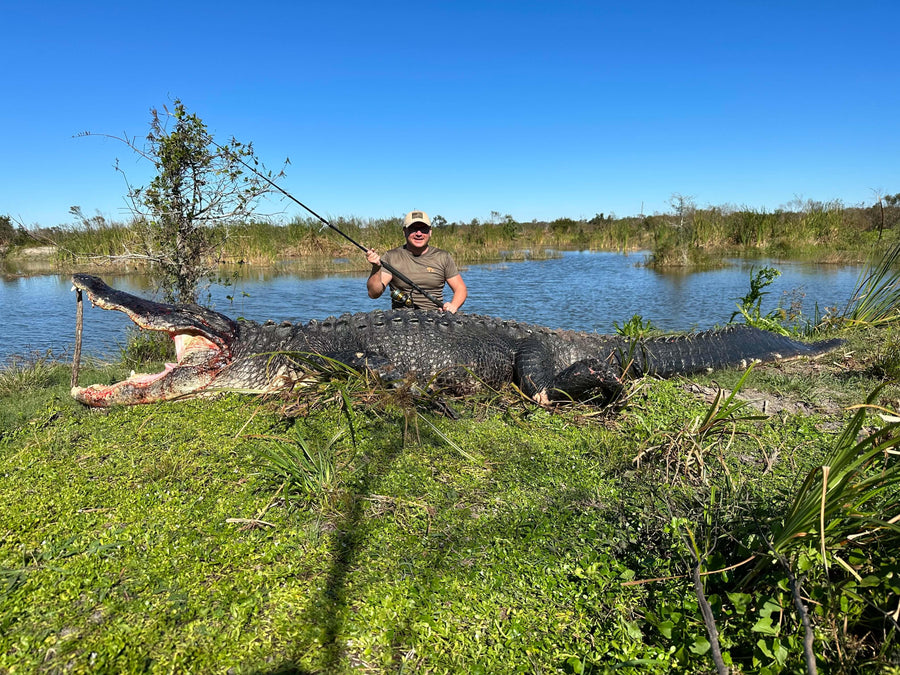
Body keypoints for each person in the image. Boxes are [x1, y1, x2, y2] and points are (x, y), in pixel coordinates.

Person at [366, 210, 467, 312]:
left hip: (436, 318)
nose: (419, 234)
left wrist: (453, 306)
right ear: (404, 232)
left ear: (430, 232)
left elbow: (460, 288)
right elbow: (374, 293)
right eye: (413, 229)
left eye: (423, 229)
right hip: (401, 318)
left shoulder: (443, 257)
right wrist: (376, 268)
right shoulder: (391, 257)